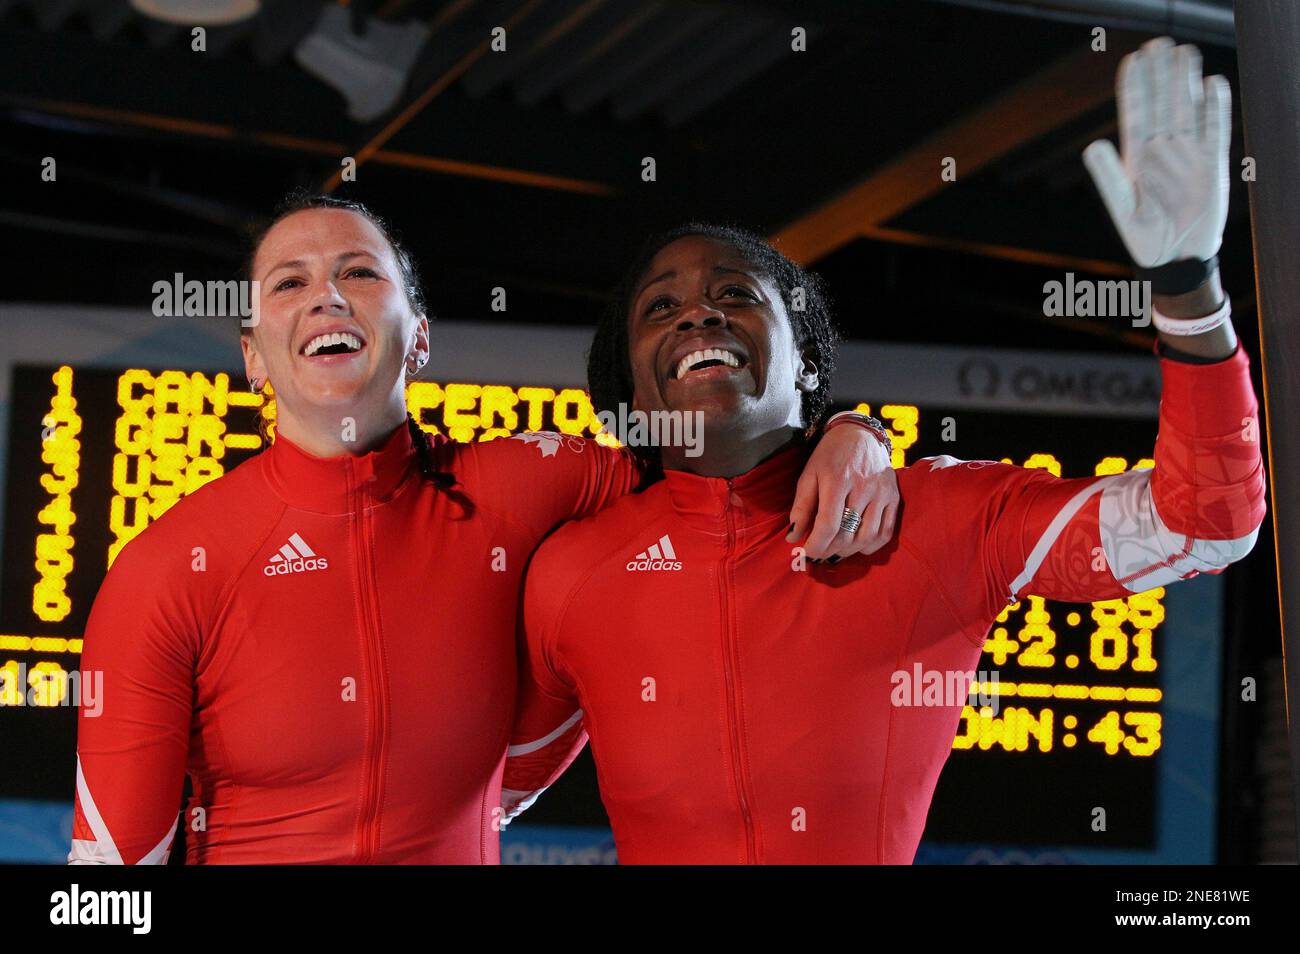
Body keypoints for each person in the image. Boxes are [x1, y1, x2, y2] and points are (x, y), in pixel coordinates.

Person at [501, 39, 1268, 863]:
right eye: (661, 308)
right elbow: (467, 798)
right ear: (633, 394)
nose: (699, 315)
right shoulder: (571, 573)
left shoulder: (938, 518)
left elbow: (1202, 525)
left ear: (806, 366)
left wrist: (1190, 286)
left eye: (736, 295)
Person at [67, 194, 898, 864]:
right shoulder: (172, 567)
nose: (326, 294)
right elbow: (108, 874)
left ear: (419, 336)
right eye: (289, 283)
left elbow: (722, 453)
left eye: (359, 272)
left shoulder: (533, 480)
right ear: (253, 357)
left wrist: (855, 430)